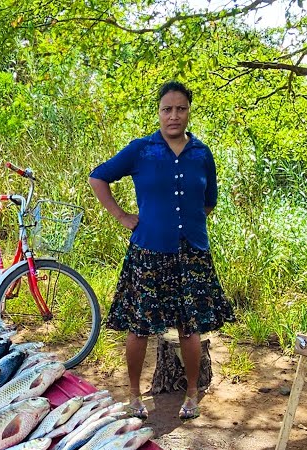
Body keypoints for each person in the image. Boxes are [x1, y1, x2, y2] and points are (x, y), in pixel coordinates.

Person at [89, 81, 235, 421]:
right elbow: (99, 177)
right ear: (158, 112)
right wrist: (122, 216)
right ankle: (135, 395)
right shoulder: (141, 150)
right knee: (139, 327)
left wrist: (184, 224)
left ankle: (192, 394)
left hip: (192, 254)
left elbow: (208, 201)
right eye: (167, 109)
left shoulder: (202, 153)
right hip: (149, 252)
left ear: (188, 112)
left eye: (180, 109)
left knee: (189, 328)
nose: (174, 115)